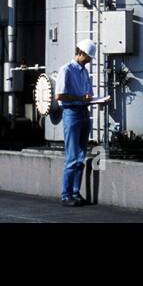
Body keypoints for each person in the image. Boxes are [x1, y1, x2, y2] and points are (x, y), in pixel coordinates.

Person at [56, 39, 98, 207]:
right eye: (88, 57)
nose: (89, 60)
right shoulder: (65, 70)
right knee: (72, 156)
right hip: (71, 113)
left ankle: (75, 192)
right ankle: (66, 194)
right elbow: (60, 95)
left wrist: (95, 100)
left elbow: (87, 94)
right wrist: (81, 98)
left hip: (83, 112)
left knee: (80, 156)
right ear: (80, 53)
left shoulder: (84, 72)